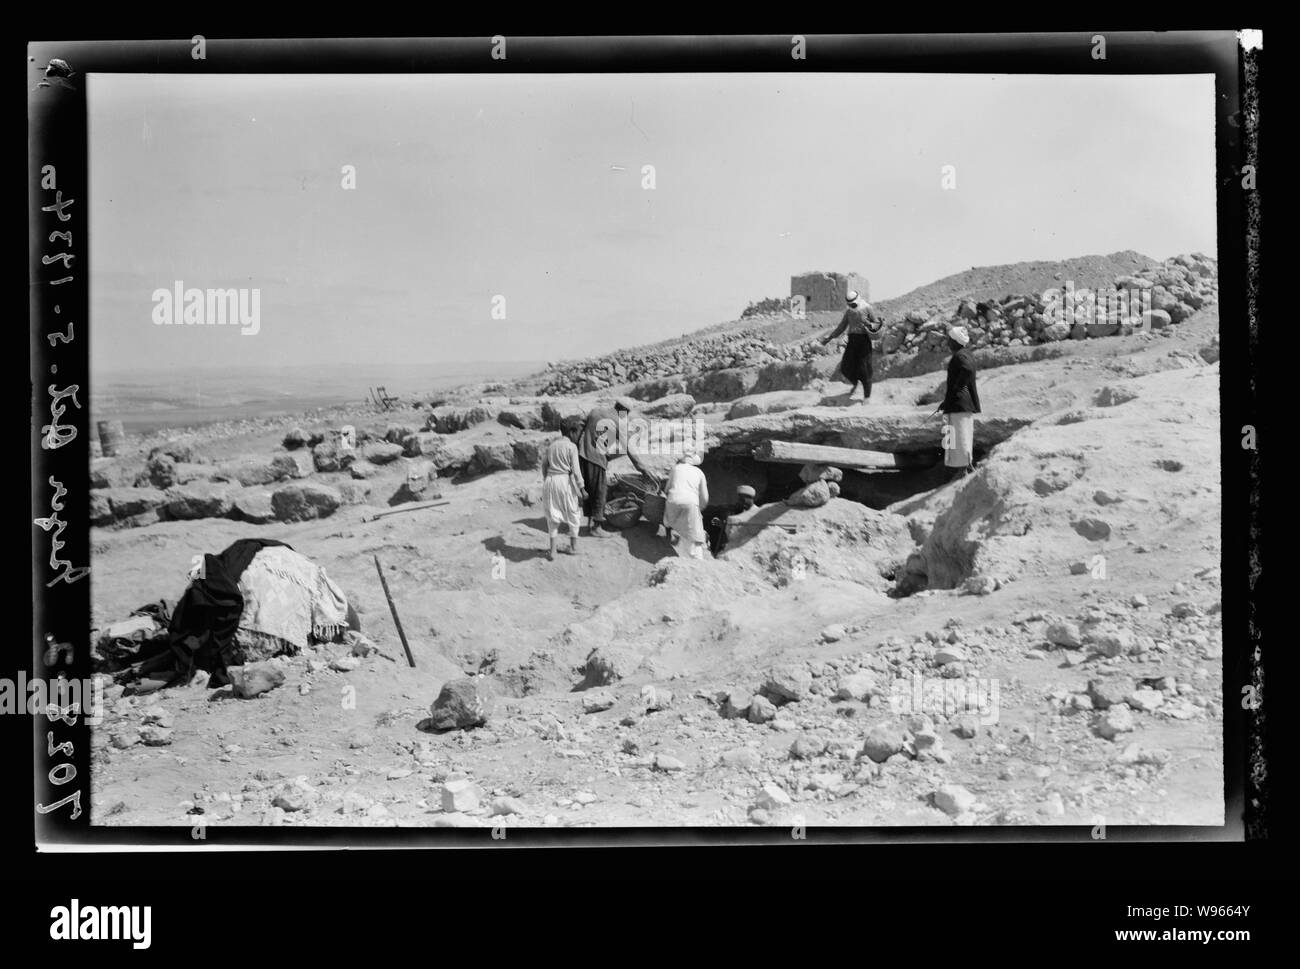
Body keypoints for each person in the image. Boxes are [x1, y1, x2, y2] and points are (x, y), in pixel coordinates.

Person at [577, 396, 634, 538]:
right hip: (596, 459)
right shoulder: (619, 422)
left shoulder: (596, 411)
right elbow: (626, 449)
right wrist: (641, 467)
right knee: (600, 492)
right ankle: (596, 528)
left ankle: (590, 523)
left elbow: (580, 427)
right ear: (625, 411)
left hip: (581, 455)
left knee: (589, 490)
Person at [820, 290, 885, 404]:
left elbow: (876, 324)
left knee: (864, 369)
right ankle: (856, 384)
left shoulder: (867, 308)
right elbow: (841, 327)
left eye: (853, 304)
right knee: (845, 367)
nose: (852, 306)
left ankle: (867, 397)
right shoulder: (849, 312)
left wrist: (868, 324)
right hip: (852, 341)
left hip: (864, 341)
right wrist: (830, 338)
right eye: (850, 304)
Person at [541, 417, 588, 560]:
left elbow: (544, 465)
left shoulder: (552, 446)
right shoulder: (571, 447)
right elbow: (576, 471)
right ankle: (573, 547)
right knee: (573, 513)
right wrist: (582, 489)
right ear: (572, 432)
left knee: (552, 515)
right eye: (579, 433)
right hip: (564, 481)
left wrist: (547, 479)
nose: (579, 436)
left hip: (550, 481)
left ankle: (553, 551)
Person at [940, 325, 981, 481]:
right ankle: (966, 467)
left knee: (959, 436)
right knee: (962, 435)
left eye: (949, 339)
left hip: (960, 403)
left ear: (955, 341)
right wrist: (947, 401)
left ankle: (964, 469)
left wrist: (957, 389)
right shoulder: (966, 353)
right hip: (961, 403)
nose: (947, 341)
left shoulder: (960, 356)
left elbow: (967, 370)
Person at [663, 451, 710, 560]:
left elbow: (666, 489)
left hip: (673, 501)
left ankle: (672, 535)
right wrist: (700, 508)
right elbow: (705, 498)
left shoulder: (676, 469)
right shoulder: (699, 472)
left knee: (672, 521)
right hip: (691, 502)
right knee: (694, 535)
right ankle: (697, 560)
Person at [707, 484, 757, 555]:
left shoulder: (757, 513)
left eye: (742, 500)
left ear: (750, 499)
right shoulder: (740, 511)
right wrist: (722, 525)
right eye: (739, 500)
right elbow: (733, 531)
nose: (740, 502)